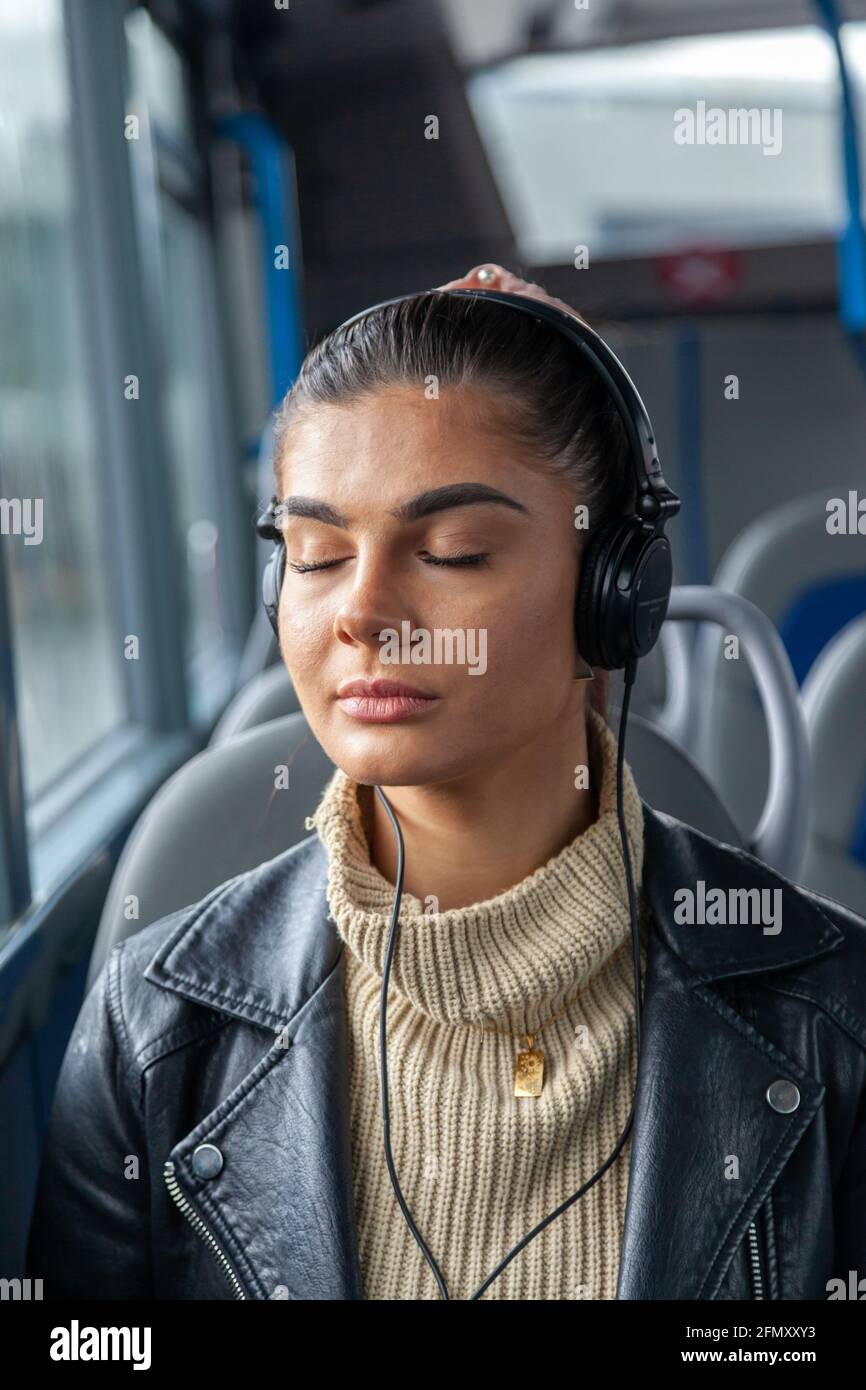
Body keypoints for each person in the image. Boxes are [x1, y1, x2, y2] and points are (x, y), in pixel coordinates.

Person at [25, 264, 866, 1301]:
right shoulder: (147, 1034)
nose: (362, 613)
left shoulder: (836, 1022)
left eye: (454, 552)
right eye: (317, 553)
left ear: (615, 595)